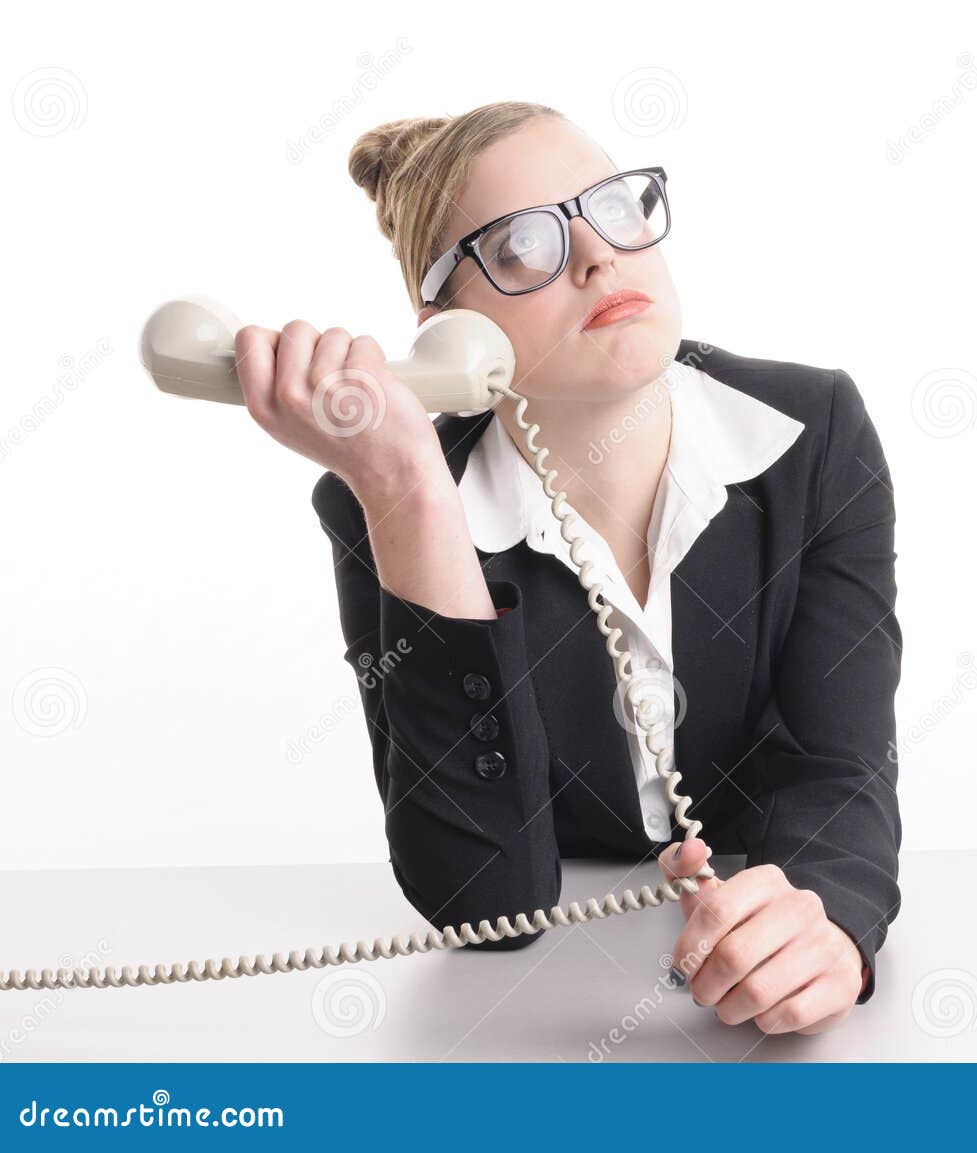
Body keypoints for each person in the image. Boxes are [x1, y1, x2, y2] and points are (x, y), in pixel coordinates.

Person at [235, 100, 901, 1036]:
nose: (599, 258)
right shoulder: (380, 501)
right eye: (522, 246)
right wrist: (405, 487)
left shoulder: (811, 434)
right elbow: (483, 898)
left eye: (612, 208)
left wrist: (826, 921)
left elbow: (841, 761)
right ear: (447, 330)